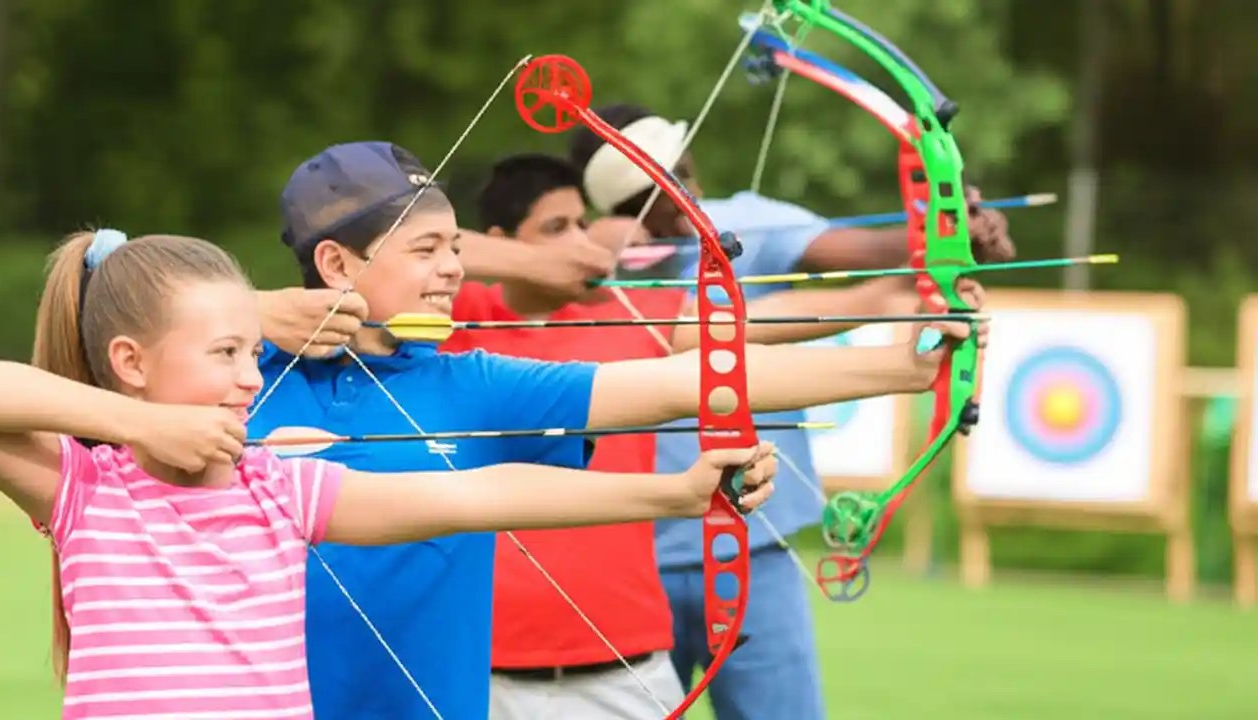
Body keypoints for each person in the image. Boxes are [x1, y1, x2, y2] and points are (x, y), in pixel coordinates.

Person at [251, 140, 988, 719]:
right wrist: (251, 315)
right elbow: (137, 294)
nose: (450, 268)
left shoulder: (469, 380)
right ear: (334, 263)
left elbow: (682, 382)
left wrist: (910, 364)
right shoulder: (237, 377)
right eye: (425, 250)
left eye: (455, 248)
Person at [0, 229, 779, 719]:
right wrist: (139, 424)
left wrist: (675, 493)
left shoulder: (277, 485)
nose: (251, 378)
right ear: (130, 363)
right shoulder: (89, 489)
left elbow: (478, 495)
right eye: (225, 354)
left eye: (248, 353)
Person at [567, 103, 1015, 720]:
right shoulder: (581, 266)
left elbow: (864, 248)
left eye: (679, 181)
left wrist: (941, 228)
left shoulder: (744, 223)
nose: (678, 206)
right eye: (646, 199)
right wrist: (597, 256)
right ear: (610, 213)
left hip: (755, 550)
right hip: (628, 560)